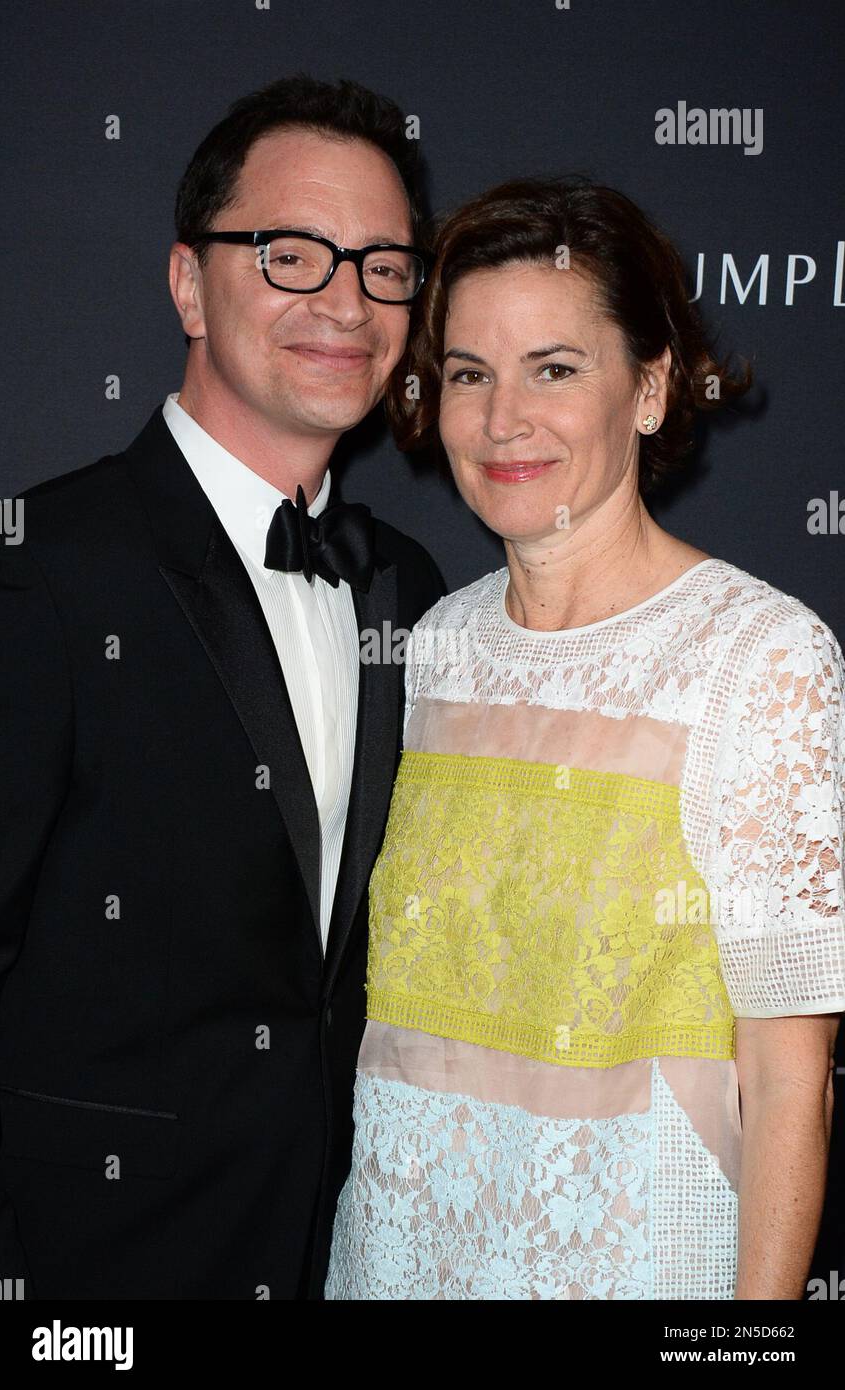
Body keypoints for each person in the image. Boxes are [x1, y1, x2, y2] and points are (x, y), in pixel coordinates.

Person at [324, 177, 845, 1300]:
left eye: (553, 369)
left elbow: (786, 1076)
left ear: (650, 387)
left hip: (637, 1268)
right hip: (394, 1260)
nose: (501, 419)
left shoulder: (757, 658)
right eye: (468, 373)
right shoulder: (433, 646)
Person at [0, 74, 445, 1300]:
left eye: (382, 265)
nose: (343, 301)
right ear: (189, 282)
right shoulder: (43, 570)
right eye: (290, 254)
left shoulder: (405, 584)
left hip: (336, 1255)